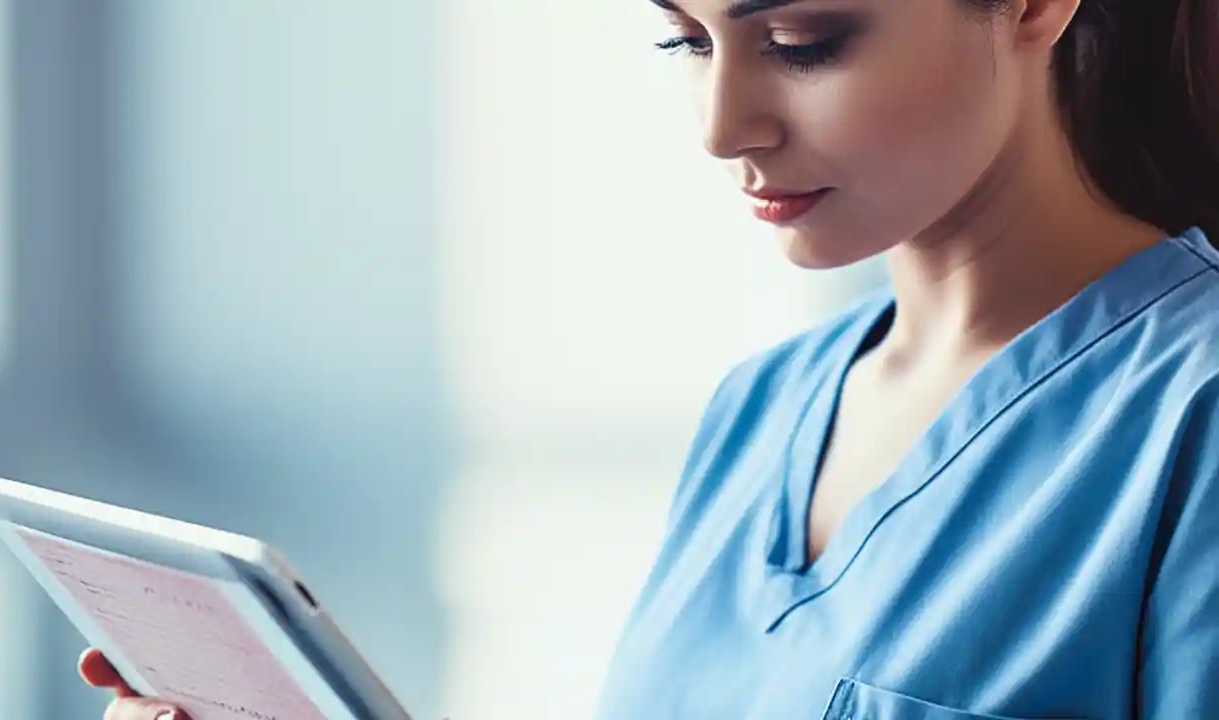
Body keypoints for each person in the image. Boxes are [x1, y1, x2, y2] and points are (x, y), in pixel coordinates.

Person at [80, 0, 1218, 717]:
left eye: (799, 44)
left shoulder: (1190, 411)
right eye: (684, 39)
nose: (721, 124)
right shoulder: (763, 407)